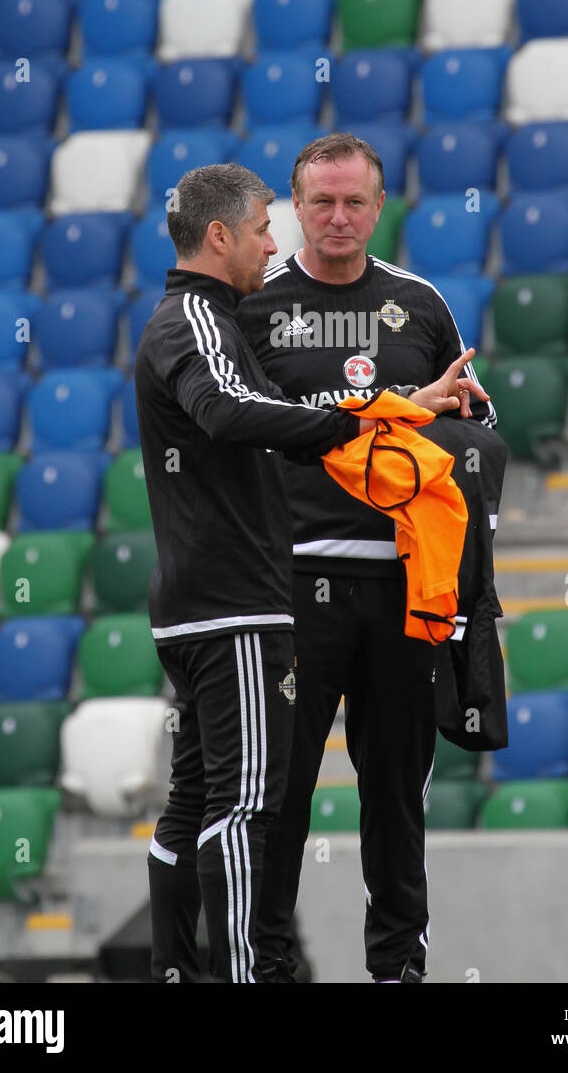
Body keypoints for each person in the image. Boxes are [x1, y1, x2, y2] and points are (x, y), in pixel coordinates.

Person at [238, 132, 495, 984]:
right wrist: (390, 410)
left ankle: (397, 972)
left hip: (400, 585)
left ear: (380, 206)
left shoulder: (419, 305)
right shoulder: (253, 308)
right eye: (322, 201)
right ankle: (266, 969)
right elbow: (238, 433)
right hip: (291, 583)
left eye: (354, 201)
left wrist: (448, 417)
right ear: (294, 206)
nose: (339, 217)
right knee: (280, 798)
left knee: (395, 800)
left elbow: (472, 441)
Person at [134, 163, 369, 985]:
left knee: (194, 798)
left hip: (205, 601)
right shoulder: (193, 317)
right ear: (221, 235)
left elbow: (258, 408)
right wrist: (343, 428)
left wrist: (396, 410)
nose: (278, 243)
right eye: (265, 228)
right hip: (233, 603)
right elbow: (226, 410)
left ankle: (172, 971)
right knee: (243, 806)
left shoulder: (204, 318)